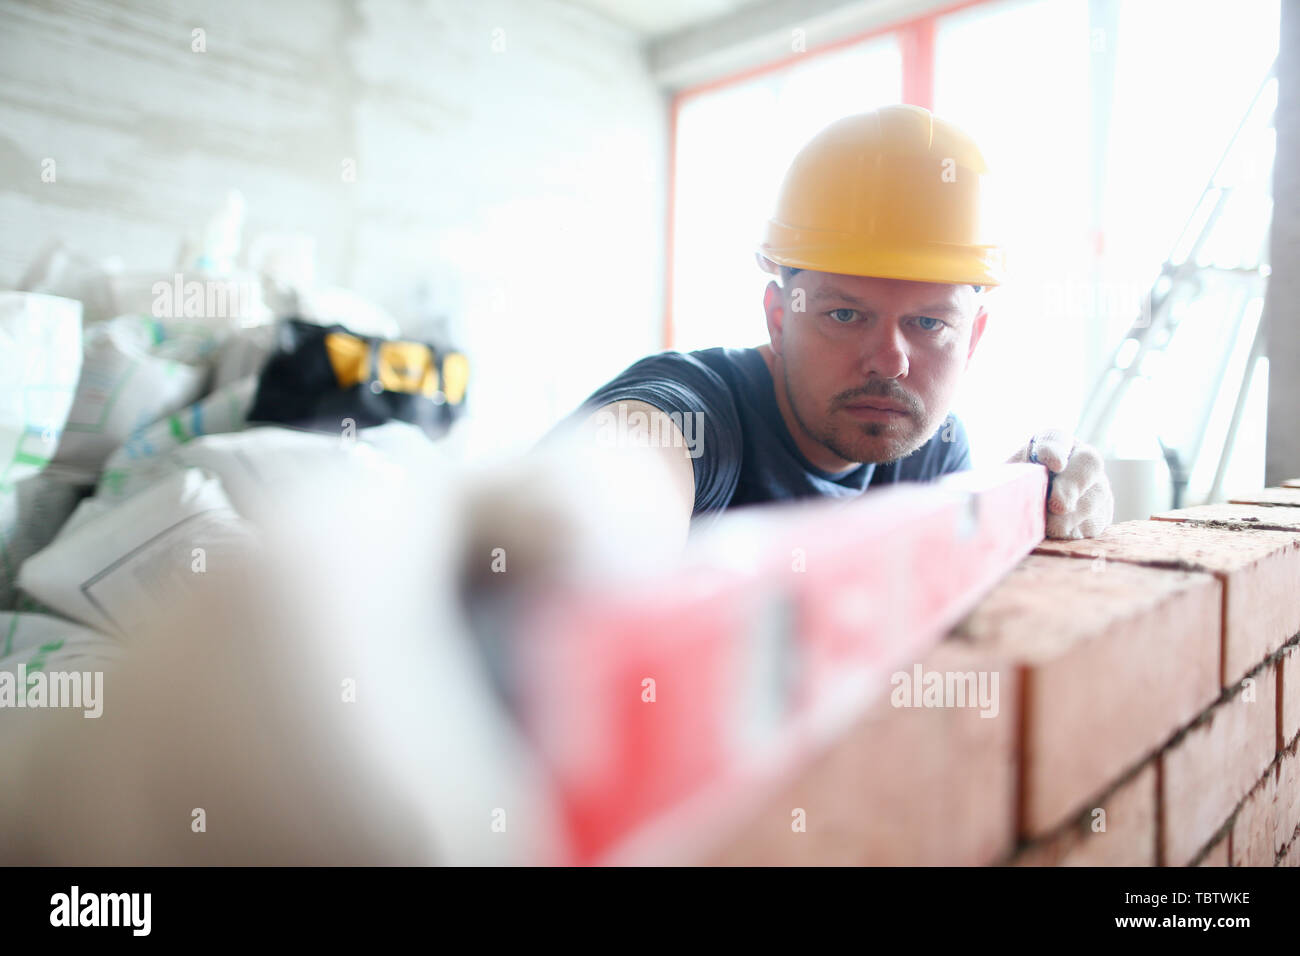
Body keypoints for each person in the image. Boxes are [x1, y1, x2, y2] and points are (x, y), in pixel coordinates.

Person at [566, 104, 1113, 543]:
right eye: (845, 314)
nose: (890, 360)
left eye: (928, 322)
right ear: (779, 319)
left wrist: (1030, 497)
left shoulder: (933, 450)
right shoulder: (699, 416)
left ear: (971, 339)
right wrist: (571, 521)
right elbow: (621, 474)